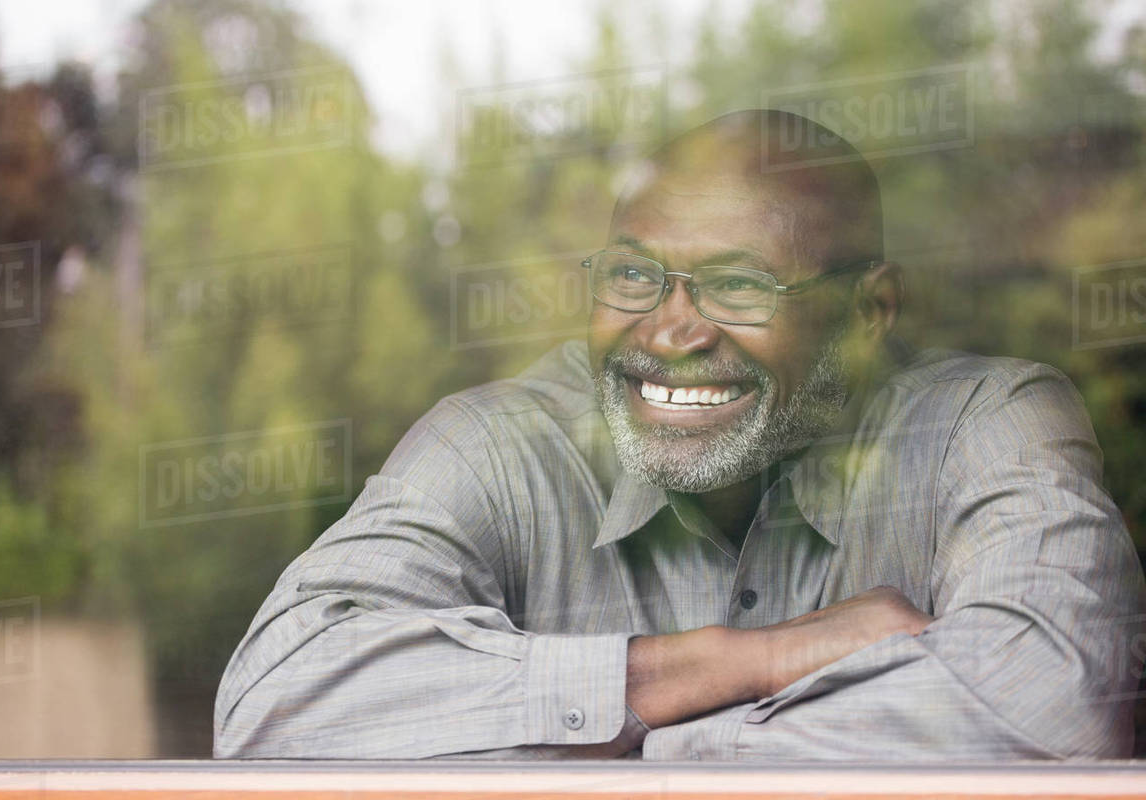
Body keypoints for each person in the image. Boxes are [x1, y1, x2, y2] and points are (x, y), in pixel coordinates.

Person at [213, 110, 1145, 761]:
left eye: (738, 286)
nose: (670, 330)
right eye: (633, 277)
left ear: (869, 312)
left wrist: (643, 753)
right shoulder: (496, 447)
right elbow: (276, 707)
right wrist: (731, 662)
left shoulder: (982, 424)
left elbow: (1049, 705)